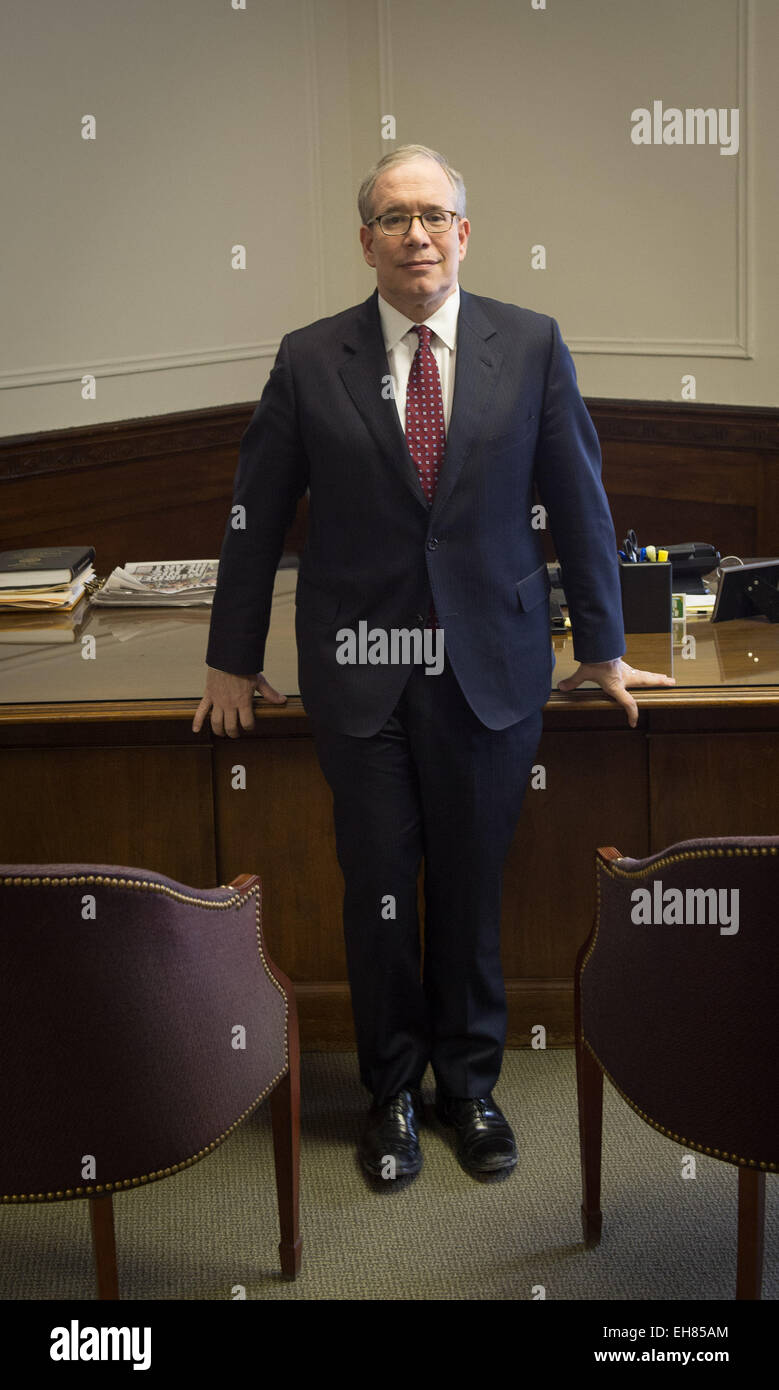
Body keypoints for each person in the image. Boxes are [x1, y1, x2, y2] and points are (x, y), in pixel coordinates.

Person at [192, 144, 674, 1183]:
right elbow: (254, 518)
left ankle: (470, 1090)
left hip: (490, 670)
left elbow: (579, 505)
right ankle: (390, 1099)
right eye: (393, 217)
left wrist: (601, 647)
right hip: (358, 673)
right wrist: (230, 659)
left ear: (463, 232)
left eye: (433, 216)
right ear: (364, 240)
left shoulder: (531, 346)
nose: (415, 234)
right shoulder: (309, 357)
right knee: (377, 890)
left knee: (466, 886)